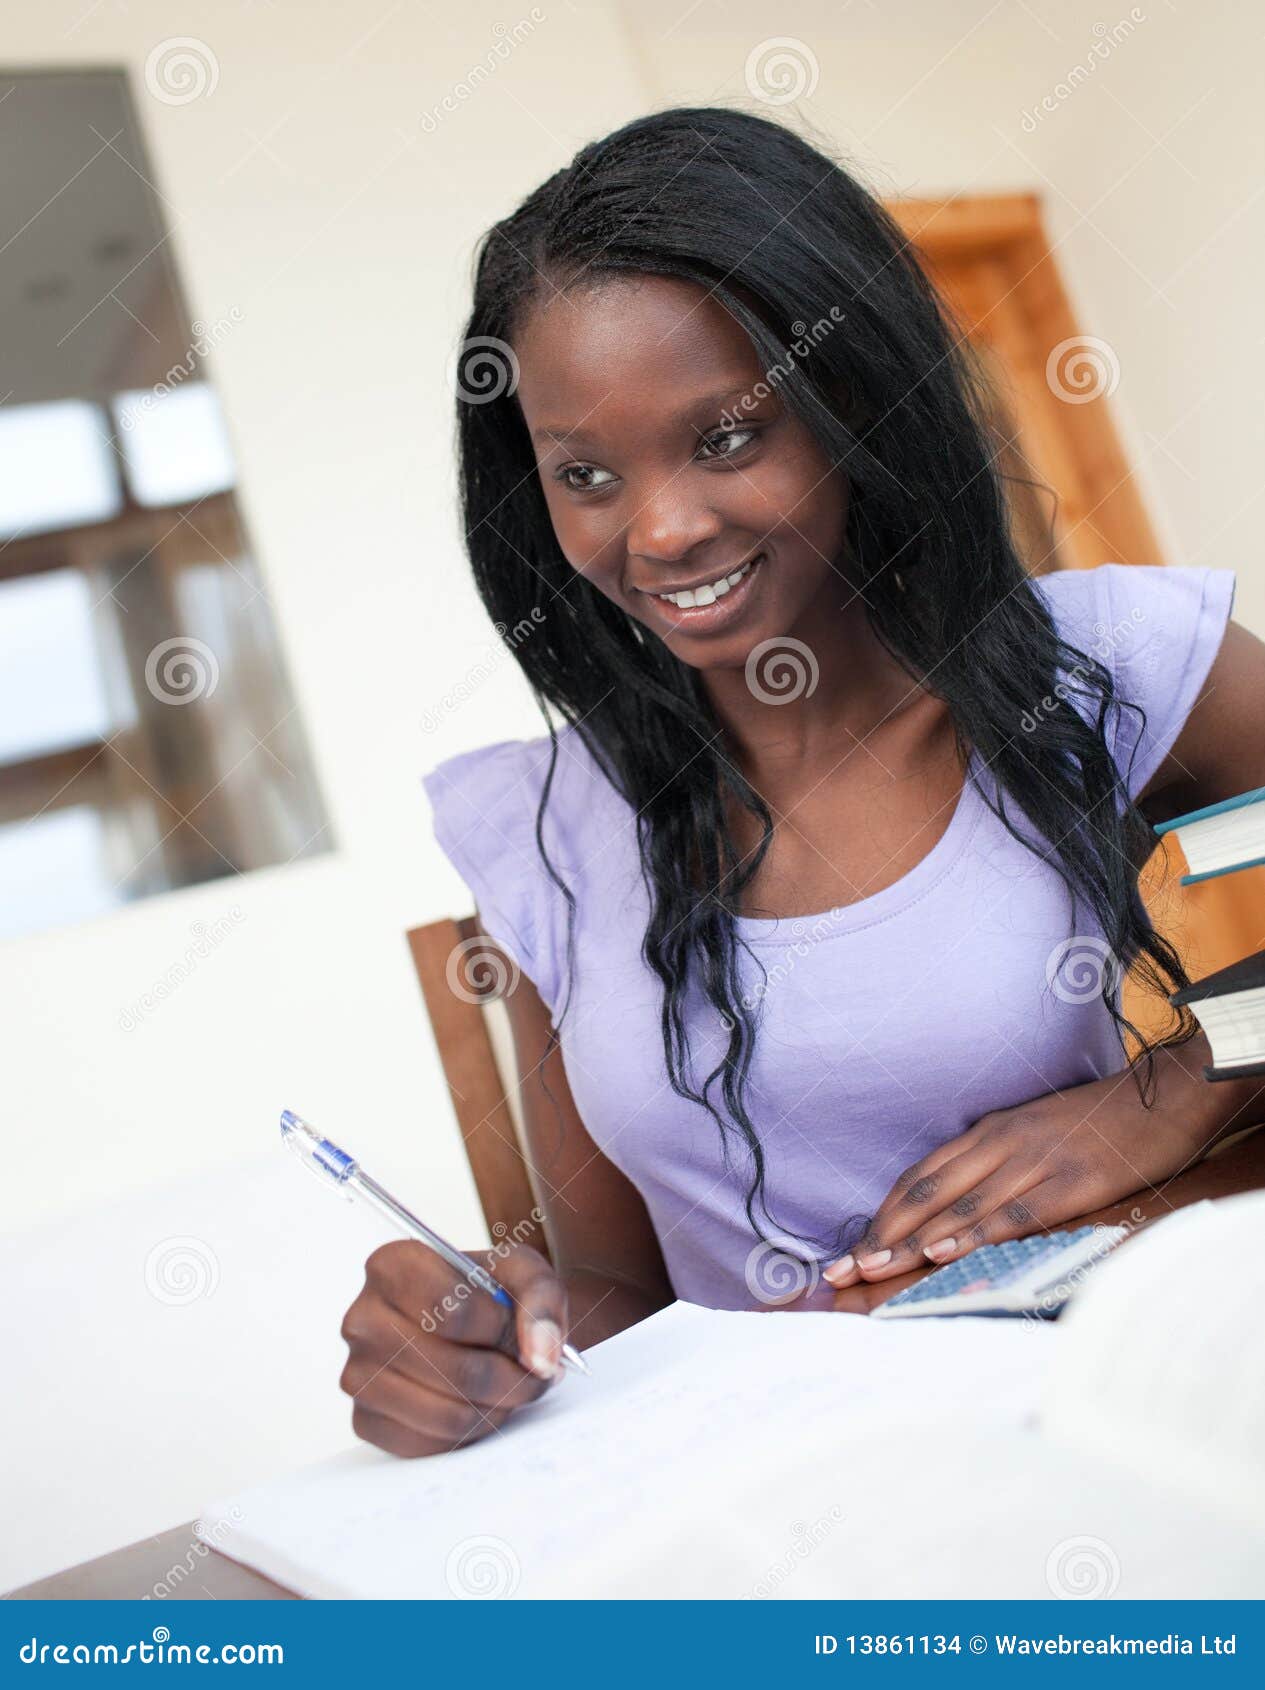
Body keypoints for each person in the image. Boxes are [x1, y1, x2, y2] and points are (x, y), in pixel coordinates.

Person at [338, 106, 1265, 1458]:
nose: (657, 529)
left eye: (723, 437)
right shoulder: (545, 828)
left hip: (1082, 1431)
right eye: (584, 473)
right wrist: (479, 1341)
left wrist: (1186, 1082)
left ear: (858, 403)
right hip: (776, 1497)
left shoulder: (1102, 668)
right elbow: (617, 1295)